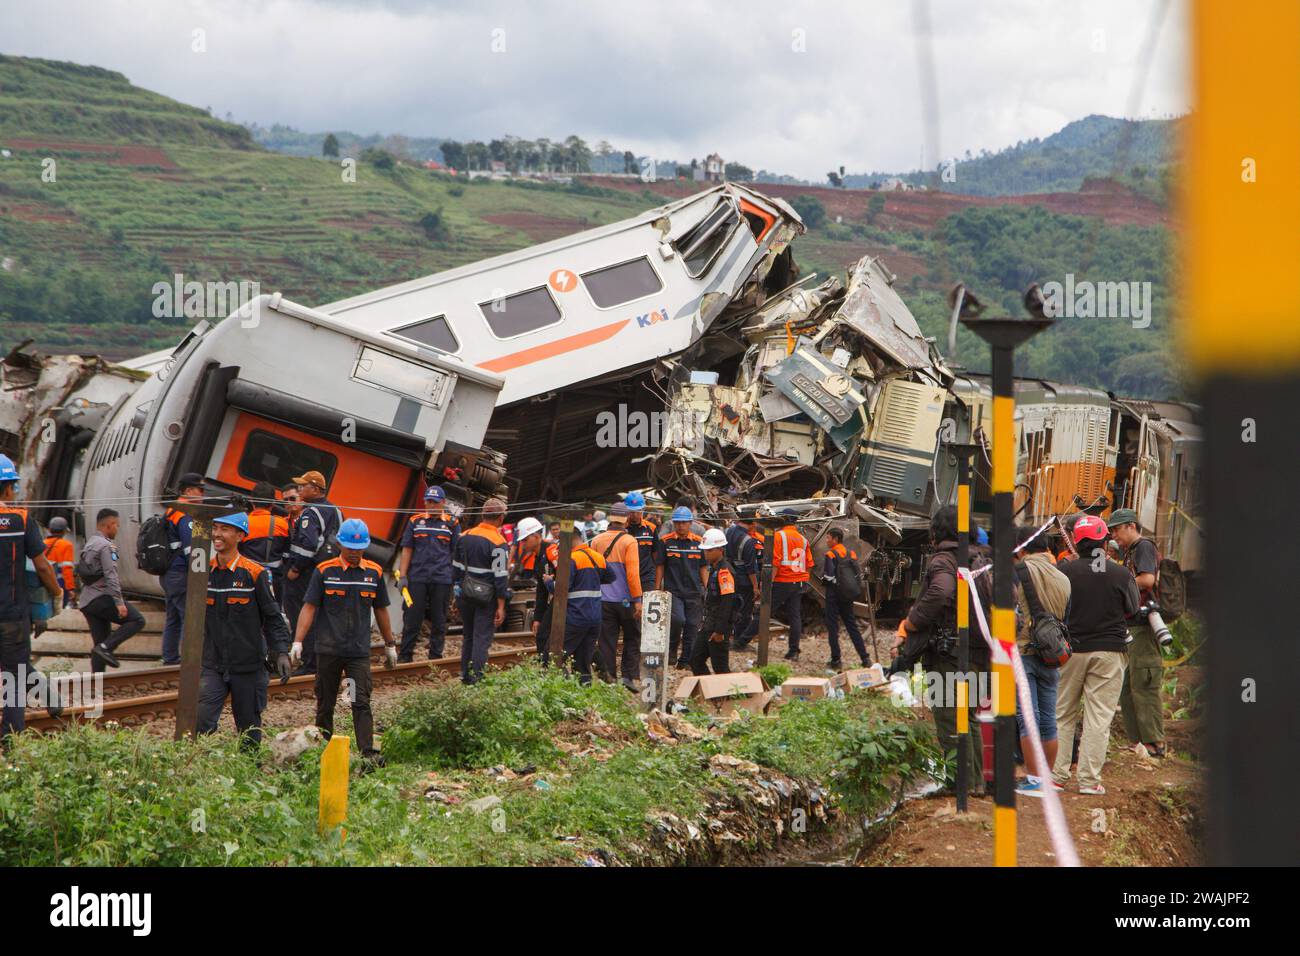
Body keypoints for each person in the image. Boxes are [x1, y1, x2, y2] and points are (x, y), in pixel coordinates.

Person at [892, 505, 988, 790]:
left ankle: (957, 786)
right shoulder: (980, 559)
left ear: (936, 531)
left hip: (950, 654)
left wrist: (910, 623)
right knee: (969, 718)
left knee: (949, 717)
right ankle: (975, 784)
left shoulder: (944, 561)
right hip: (980, 651)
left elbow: (941, 592)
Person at [292, 518, 396, 764]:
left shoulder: (374, 573)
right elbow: (309, 607)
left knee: (359, 700)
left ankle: (367, 752)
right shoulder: (325, 571)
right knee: (325, 702)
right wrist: (298, 640)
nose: (355, 554)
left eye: (360, 549)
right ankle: (324, 751)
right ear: (340, 544)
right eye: (350, 549)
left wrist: (390, 644)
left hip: (357, 652)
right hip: (329, 650)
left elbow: (381, 609)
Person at [1052, 515, 1139, 795]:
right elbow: (1133, 609)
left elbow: (1055, 608)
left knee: (1062, 714)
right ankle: (1089, 781)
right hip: (1109, 652)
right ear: (1105, 541)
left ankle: (1057, 776)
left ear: (1077, 541)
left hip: (1070, 652)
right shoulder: (1121, 574)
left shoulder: (1065, 571)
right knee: (1098, 717)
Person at [196, 512, 292, 749]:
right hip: (213, 664)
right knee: (200, 721)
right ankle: (201, 774)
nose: (217, 534)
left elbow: (272, 617)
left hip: (248, 666)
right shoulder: (202, 572)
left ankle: (249, 773)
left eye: (225, 529)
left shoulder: (255, 573)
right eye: (215, 527)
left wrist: (280, 651)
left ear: (240, 535)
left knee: (248, 729)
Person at [0, 455, 63, 739]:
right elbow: (41, 565)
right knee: (14, 672)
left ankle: (47, 695)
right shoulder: (21, 519)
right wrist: (57, 593)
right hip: (13, 615)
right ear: (7, 488)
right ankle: (12, 738)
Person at [1011, 523, 1072, 797]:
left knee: (1028, 718)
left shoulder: (1019, 571)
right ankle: (1045, 779)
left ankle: (1034, 778)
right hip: (1052, 654)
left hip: (1023, 651)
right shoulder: (1062, 577)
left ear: (1021, 547)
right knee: (1049, 718)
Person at [1110, 507, 1166, 757]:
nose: (1114, 535)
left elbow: (1147, 580)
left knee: (1144, 682)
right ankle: (1138, 741)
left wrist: (1119, 577)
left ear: (1131, 526)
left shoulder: (1144, 547)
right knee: (1127, 687)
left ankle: (1154, 742)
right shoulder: (1130, 551)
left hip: (1143, 627)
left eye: (1117, 529)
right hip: (1130, 626)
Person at [283, 470, 341, 675]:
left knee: (302, 613)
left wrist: (295, 568)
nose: (299, 489)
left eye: (303, 486)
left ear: (315, 489)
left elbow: (308, 544)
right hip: (329, 570)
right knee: (320, 615)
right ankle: (317, 658)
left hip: (307, 572)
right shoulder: (336, 510)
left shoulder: (311, 512)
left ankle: (309, 662)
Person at [77, 508, 147, 671]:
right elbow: (111, 575)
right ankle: (106, 648)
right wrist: (119, 602)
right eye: (117, 525)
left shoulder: (90, 543)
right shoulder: (107, 546)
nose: (117, 529)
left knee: (99, 644)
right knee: (137, 620)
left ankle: (97, 685)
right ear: (109, 525)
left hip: (88, 600)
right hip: (102, 596)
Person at [396, 486, 459, 662]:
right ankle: (405, 656)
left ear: (443, 503)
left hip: (442, 579)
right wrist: (402, 576)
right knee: (412, 618)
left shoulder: (452, 524)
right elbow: (407, 550)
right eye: (428, 501)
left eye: (435, 502)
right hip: (417, 577)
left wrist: (455, 579)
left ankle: (435, 656)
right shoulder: (415, 522)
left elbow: (455, 553)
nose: (431, 505)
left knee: (439, 620)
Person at [452, 497, 511, 684]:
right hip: (487, 598)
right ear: (500, 518)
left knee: (468, 635)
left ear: (483, 515)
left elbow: (455, 568)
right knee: (481, 638)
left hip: (465, 594)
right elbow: (500, 577)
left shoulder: (464, 536)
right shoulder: (499, 543)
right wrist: (501, 605)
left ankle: (465, 674)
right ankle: (477, 678)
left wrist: (455, 593)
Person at [589, 504, 642, 688]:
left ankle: (609, 678)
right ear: (626, 519)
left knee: (606, 640)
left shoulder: (596, 540)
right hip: (625, 600)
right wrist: (637, 600)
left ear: (611, 518)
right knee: (633, 636)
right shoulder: (629, 541)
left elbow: (594, 571)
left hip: (603, 600)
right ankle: (628, 676)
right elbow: (633, 574)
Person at [555, 533, 614, 685]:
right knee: (582, 662)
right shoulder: (597, 557)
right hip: (594, 618)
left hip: (576, 617)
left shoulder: (572, 559)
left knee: (555, 656)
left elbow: (562, 588)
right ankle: (584, 692)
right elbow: (611, 576)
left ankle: (563, 689)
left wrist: (549, 582)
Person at [161, 472, 205, 665]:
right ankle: (192, 661)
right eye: (200, 490)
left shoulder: (172, 510)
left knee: (174, 618)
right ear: (188, 491)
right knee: (191, 618)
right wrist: (203, 574)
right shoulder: (186, 512)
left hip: (169, 573)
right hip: (181, 574)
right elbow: (193, 547)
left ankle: (170, 658)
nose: (203, 495)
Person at [655, 505, 704, 668]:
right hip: (673, 591)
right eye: (677, 523)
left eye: (684, 523)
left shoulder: (699, 543)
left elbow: (703, 567)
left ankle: (686, 660)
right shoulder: (666, 542)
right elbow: (660, 566)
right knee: (677, 620)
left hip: (694, 591)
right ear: (673, 523)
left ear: (690, 523)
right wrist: (657, 588)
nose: (680, 526)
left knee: (692, 626)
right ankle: (672, 651)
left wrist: (707, 588)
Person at [821, 527, 870, 670]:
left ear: (835, 539)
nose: (827, 540)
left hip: (833, 595)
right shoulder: (852, 554)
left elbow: (829, 577)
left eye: (828, 537)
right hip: (847, 595)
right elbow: (857, 574)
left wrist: (826, 582)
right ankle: (865, 658)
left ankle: (836, 660)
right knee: (852, 626)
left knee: (833, 627)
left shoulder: (830, 554)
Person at [693, 528, 736, 675]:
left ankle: (729, 696)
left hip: (718, 627)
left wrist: (719, 631)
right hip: (708, 625)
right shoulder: (714, 568)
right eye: (705, 551)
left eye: (709, 550)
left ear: (720, 550)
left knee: (721, 668)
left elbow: (727, 602)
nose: (706, 554)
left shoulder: (724, 572)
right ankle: (710, 692)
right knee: (695, 660)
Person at [239, 481, 291, 602]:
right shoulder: (282, 524)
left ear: (252, 501)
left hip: (244, 580)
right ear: (272, 504)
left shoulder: (243, 523)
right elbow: (287, 555)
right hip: (273, 583)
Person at [771, 510, 809, 661]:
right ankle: (794, 650)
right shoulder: (803, 539)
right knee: (795, 616)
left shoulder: (779, 536)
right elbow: (810, 563)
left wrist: (768, 583)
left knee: (764, 611)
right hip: (799, 582)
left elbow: (775, 562)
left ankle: (742, 641)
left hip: (783, 580)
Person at [725, 515, 760, 650]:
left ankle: (728, 639)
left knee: (731, 608)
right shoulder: (748, 541)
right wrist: (756, 587)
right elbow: (750, 568)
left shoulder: (729, 532)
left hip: (730, 576)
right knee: (744, 612)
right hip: (744, 581)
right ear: (751, 524)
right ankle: (739, 642)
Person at [623, 492, 659, 600]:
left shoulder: (651, 528)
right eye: (631, 511)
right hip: (626, 577)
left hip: (647, 577)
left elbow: (655, 554)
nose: (634, 514)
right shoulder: (621, 529)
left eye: (637, 511)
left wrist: (656, 580)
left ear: (643, 509)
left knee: (646, 610)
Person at [43, 516, 76, 608]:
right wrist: (70, 588)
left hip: (44, 581)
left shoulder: (42, 543)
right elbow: (67, 568)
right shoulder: (66, 545)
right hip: (60, 583)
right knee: (59, 608)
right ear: (64, 531)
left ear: (49, 529)